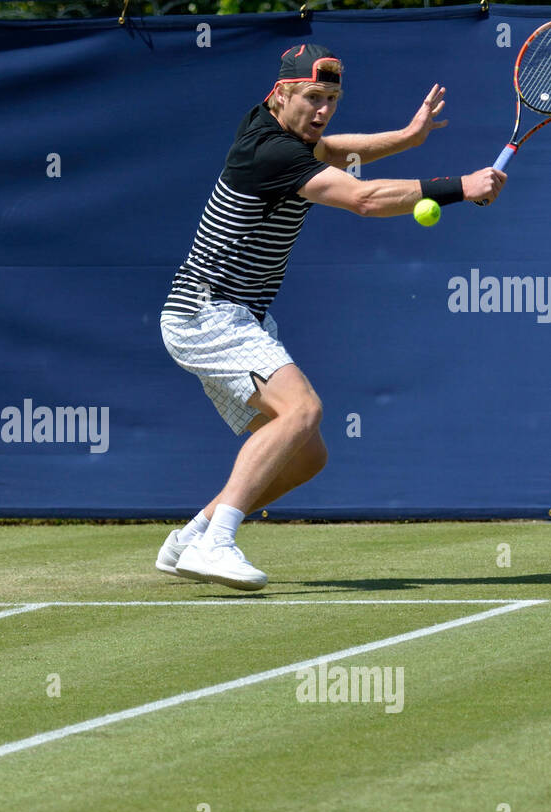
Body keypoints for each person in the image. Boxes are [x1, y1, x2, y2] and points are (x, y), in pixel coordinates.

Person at [156, 43, 506, 590]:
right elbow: (363, 199)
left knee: (306, 453)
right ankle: (218, 543)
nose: (323, 110)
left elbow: (336, 148)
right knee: (303, 410)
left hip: (233, 316)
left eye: (333, 99)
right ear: (282, 94)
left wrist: (408, 138)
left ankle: (192, 534)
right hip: (208, 313)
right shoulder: (272, 151)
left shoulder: (283, 134)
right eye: (313, 97)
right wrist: (459, 186)